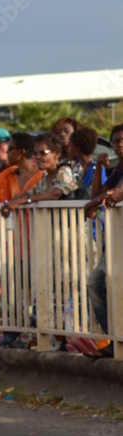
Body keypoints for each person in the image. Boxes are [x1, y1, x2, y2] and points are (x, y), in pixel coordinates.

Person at [83, 124, 123, 355]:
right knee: (95, 282)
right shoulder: (118, 169)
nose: (119, 144)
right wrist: (98, 166)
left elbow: (114, 194)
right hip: (115, 242)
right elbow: (99, 193)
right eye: (116, 140)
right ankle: (114, 339)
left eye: (122, 140)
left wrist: (94, 203)